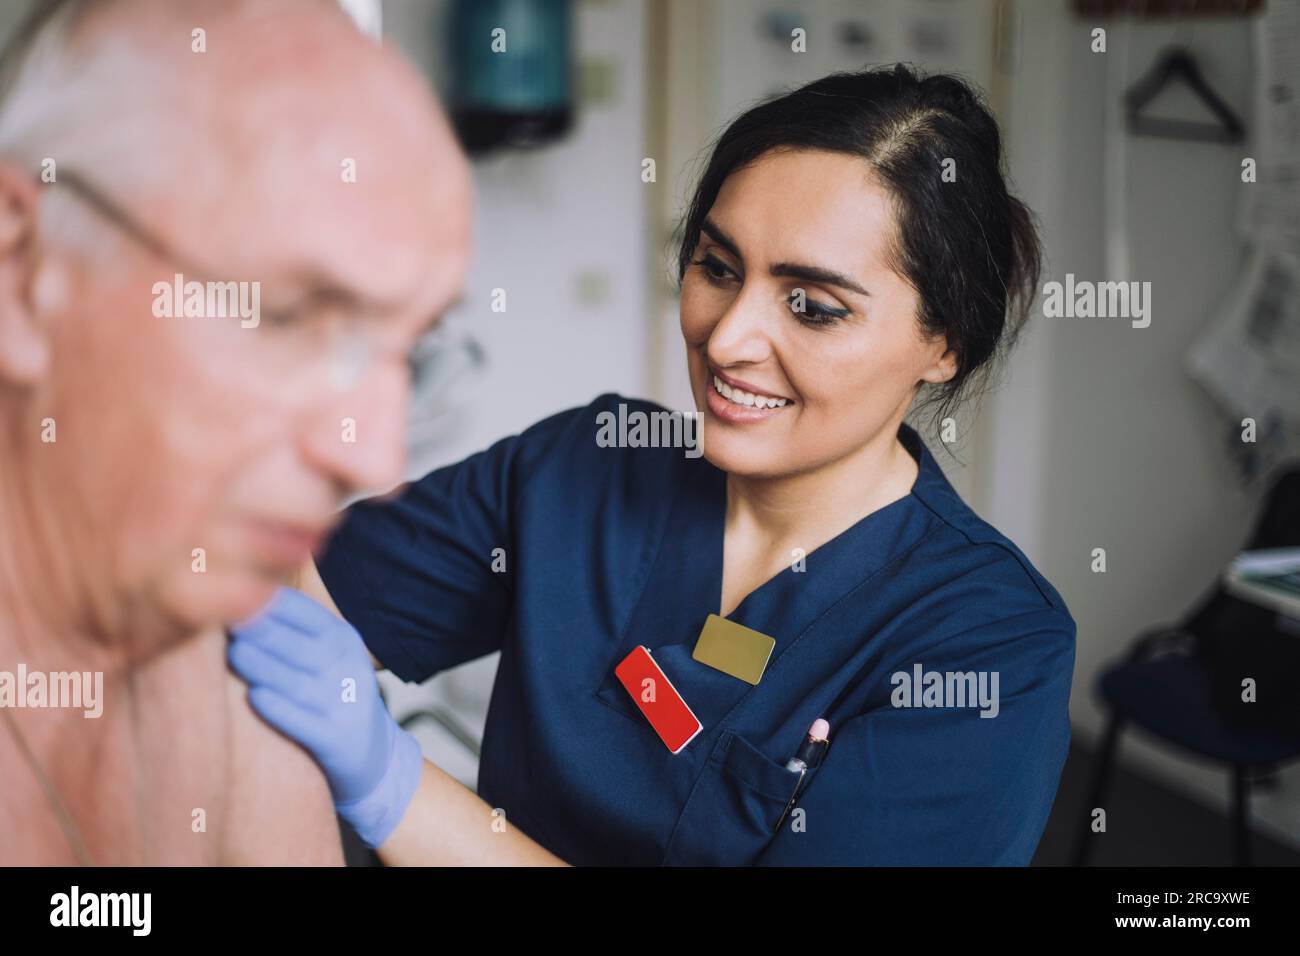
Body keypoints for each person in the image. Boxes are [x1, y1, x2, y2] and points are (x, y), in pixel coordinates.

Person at [230, 65, 1077, 866]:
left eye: (811, 307)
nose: (727, 338)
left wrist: (394, 785)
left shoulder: (987, 646)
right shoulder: (583, 471)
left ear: (944, 344)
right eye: (716, 268)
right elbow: (285, 609)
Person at [0, 0, 471, 864]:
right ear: (23, 271)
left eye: (413, 350)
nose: (372, 457)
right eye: (287, 316)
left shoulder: (219, 643)